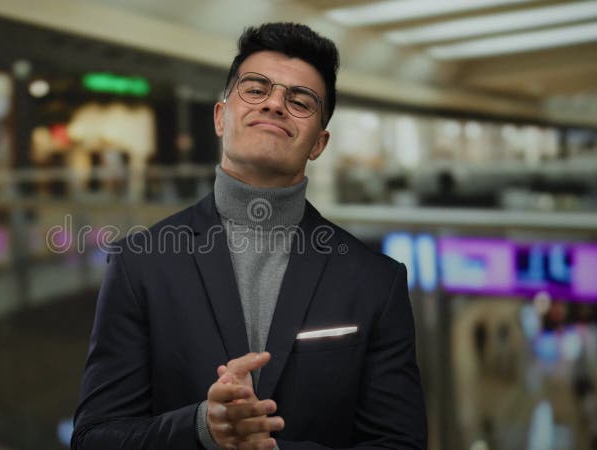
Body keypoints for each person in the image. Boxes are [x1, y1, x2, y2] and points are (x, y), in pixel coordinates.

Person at [72, 22, 427, 450]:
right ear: (222, 117)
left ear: (319, 142)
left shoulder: (376, 281)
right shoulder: (139, 264)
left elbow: (399, 444)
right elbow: (95, 438)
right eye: (256, 89)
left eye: (300, 101)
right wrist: (203, 427)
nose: (275, 103)